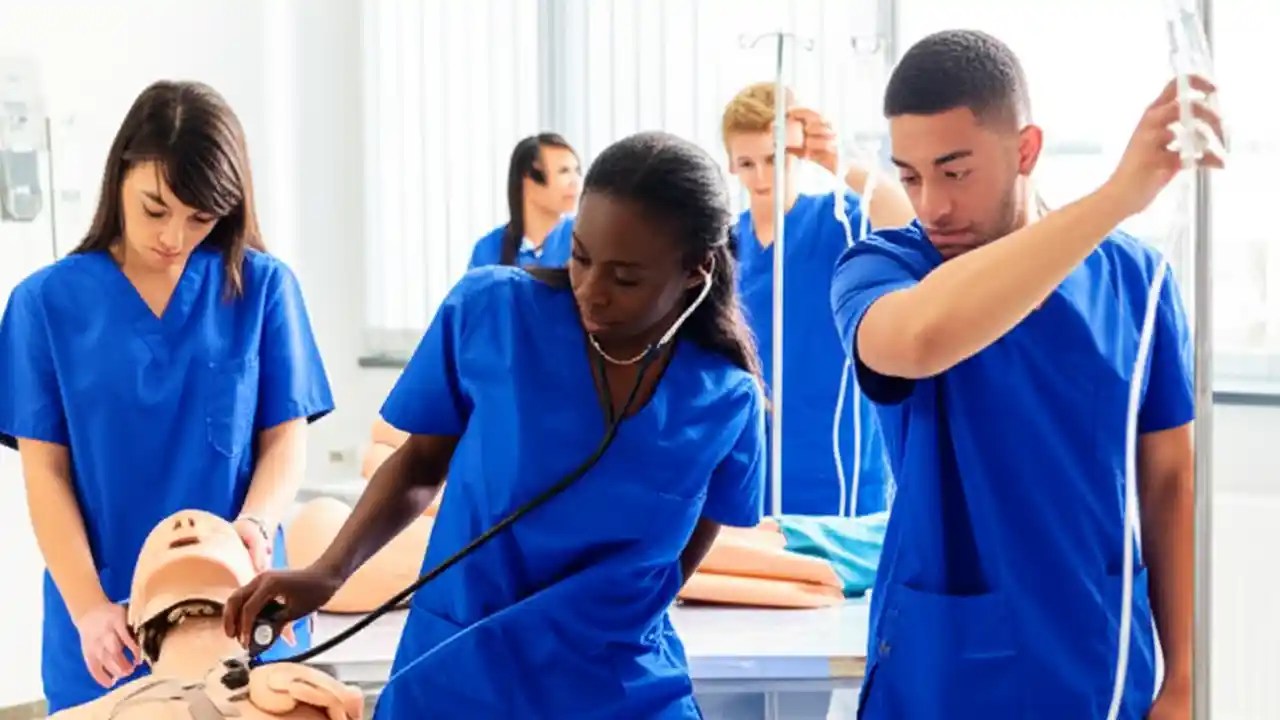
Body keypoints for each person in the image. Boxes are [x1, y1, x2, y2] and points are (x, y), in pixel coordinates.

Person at [225, 131, 767, 719]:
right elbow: (419, 465)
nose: (591, 290)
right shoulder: (493, 313)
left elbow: (700, 532)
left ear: (696, 272)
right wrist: (328, 572)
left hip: (617, 683)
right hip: (463, 673)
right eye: (581, 256)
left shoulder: (727, 398)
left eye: (625, 278)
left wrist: (622, 609)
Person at [830, 30, 1223, 718]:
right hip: (941, 667)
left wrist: (1183, 678)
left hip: (1096, 658)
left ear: (1027, 150)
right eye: (911, 175)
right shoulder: (884, 268)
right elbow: (917, 340)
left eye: (955, 172)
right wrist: (1116, 199)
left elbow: (1169, 479)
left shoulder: (1137, 281)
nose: (931, 206)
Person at [0, 80, 334, 713]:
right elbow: (45, 476)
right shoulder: (43, 306)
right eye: (156, 208)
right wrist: (89, 610)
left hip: (243, 601)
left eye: (200, 218)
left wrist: (256, 527)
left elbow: (285, 437)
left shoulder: (262, 289)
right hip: (110, 615)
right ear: (121, 175)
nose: (174, 237)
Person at [722, 82, 915, 517]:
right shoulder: (726, 244)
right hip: (752, 456)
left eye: (774, 159)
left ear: (795, 154)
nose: (761, 176)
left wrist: (833, 159)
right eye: (747, 163)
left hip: (835, 462)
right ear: (731, 166)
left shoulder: (836, 220)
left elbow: (905, 218)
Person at [51, 508, 363, 719]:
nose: (186, 523)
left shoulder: (299, 695)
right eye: (158, 541)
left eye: (216, 531)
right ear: (131, 619)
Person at [466, 132, 582, 268]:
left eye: (577, 171)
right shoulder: (489, 251)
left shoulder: (584, 241)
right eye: (563, 171)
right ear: (528, 181)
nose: (575, 182)